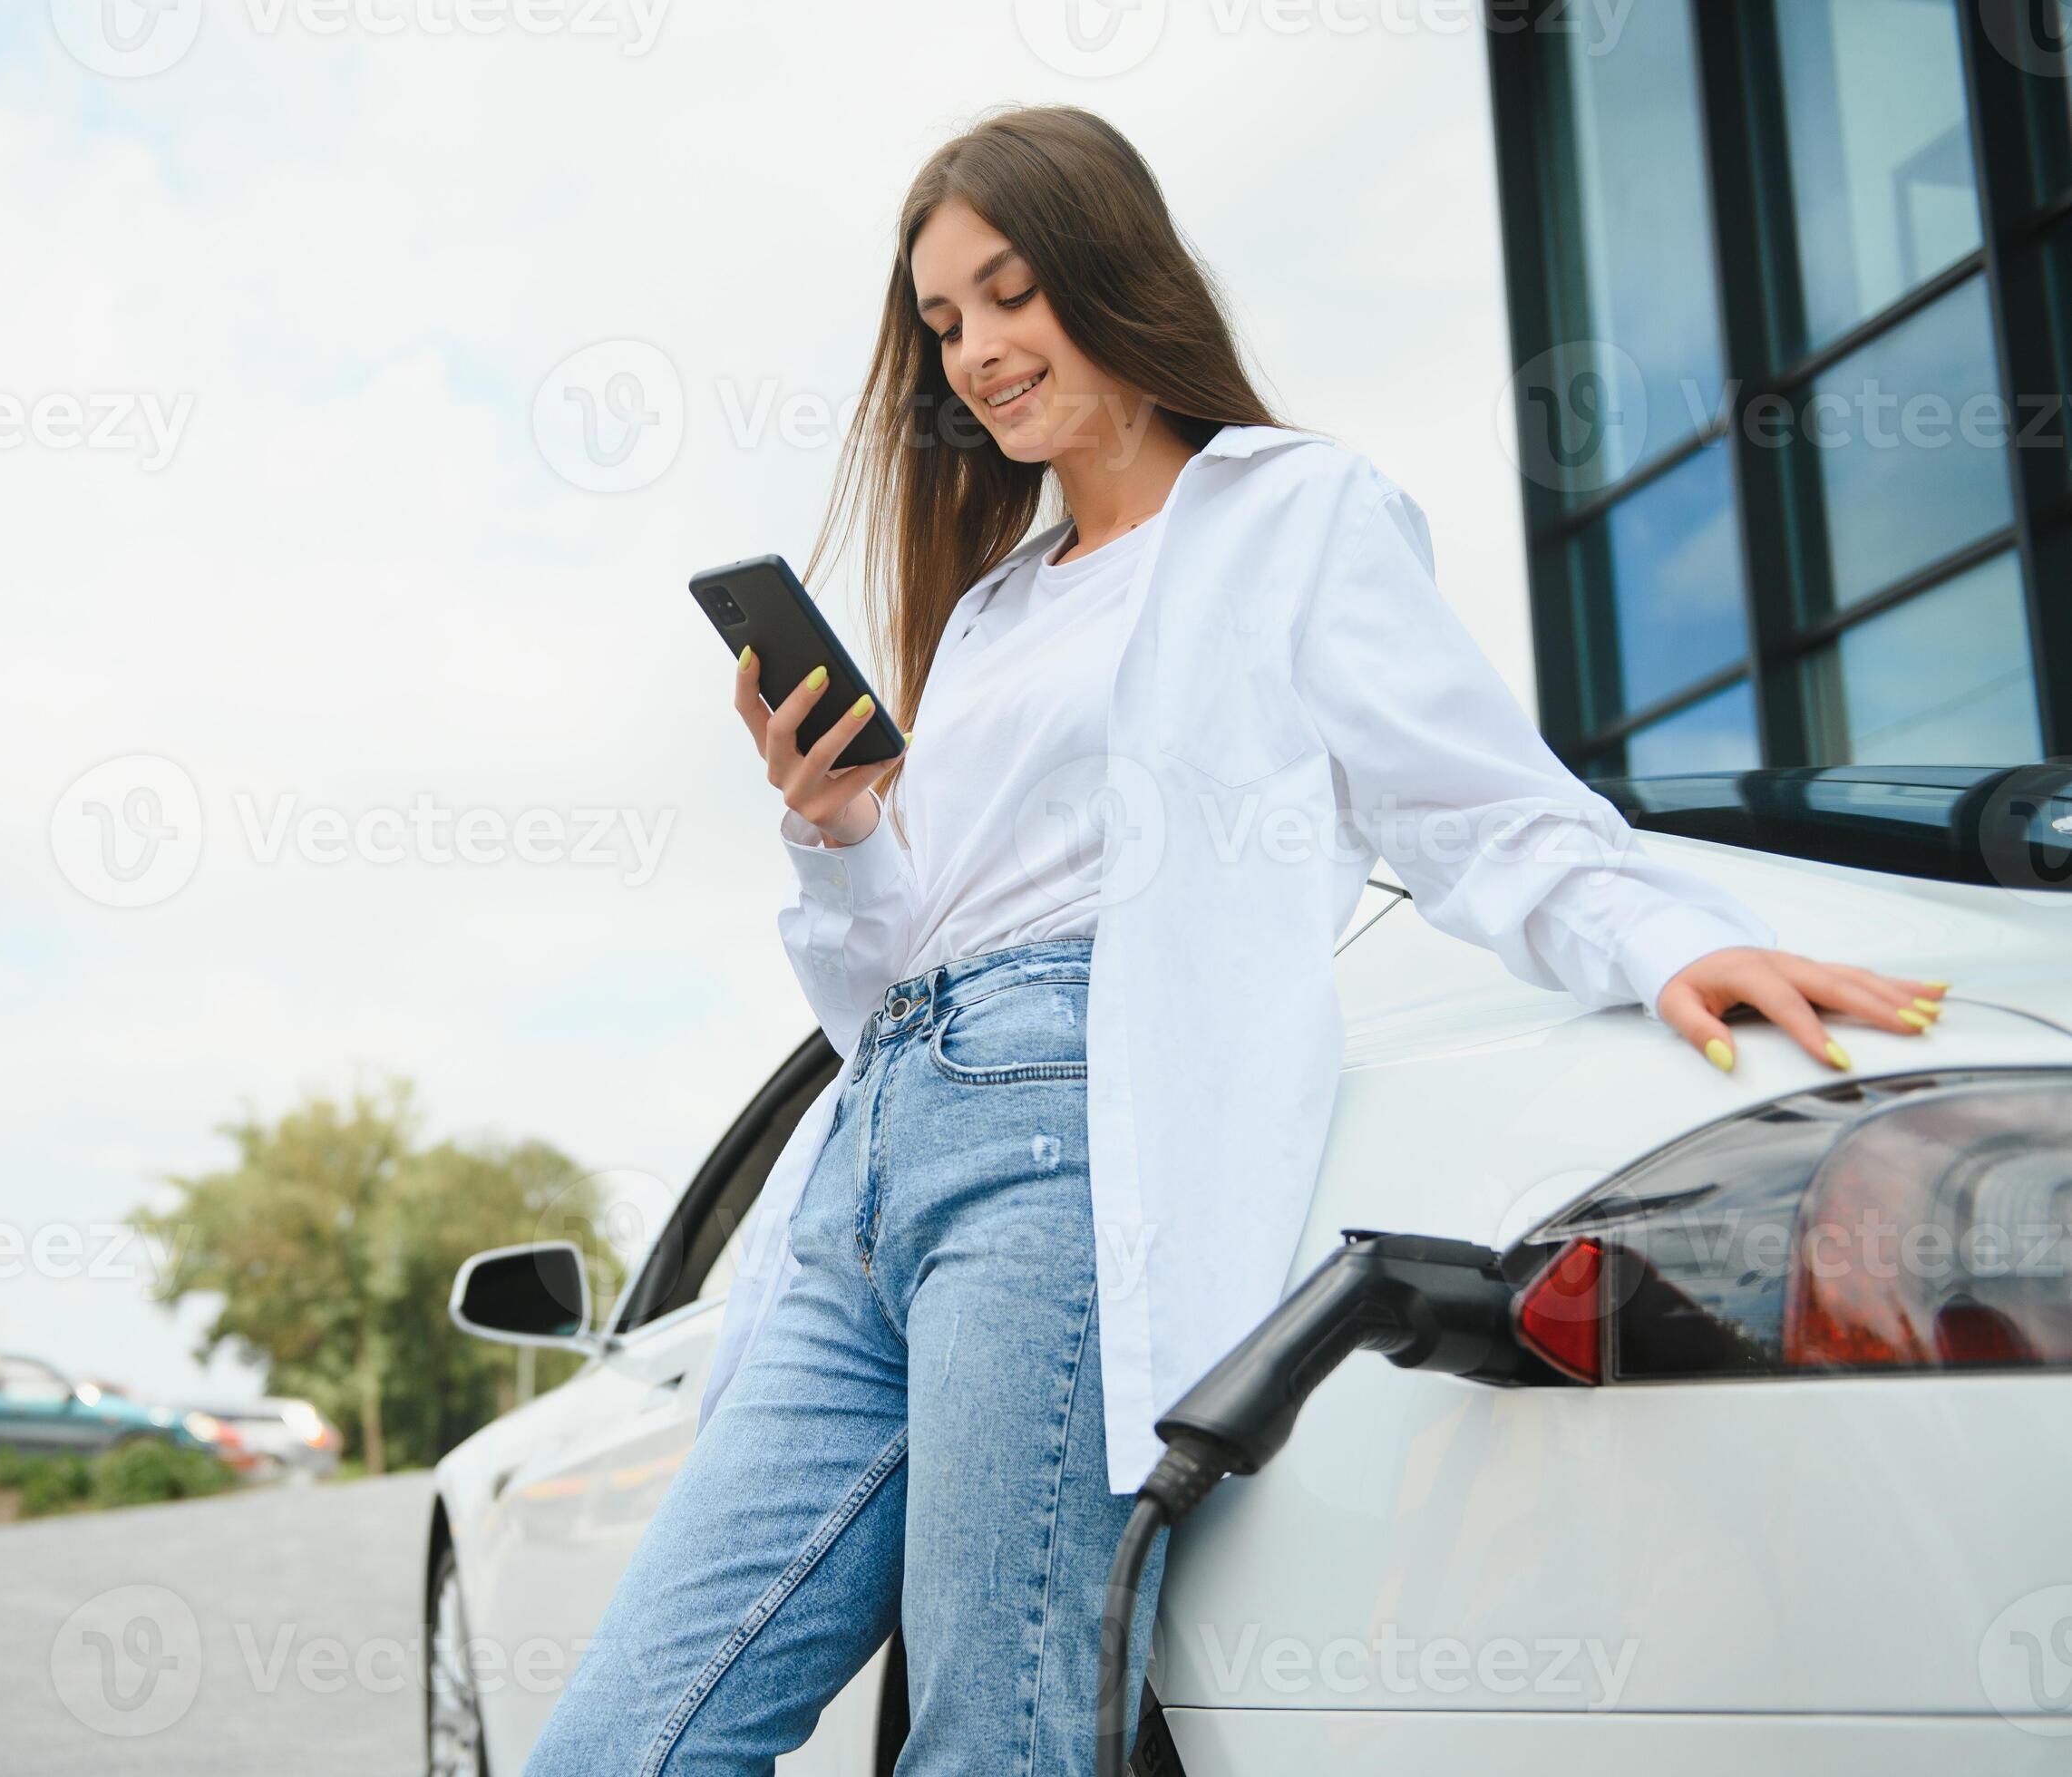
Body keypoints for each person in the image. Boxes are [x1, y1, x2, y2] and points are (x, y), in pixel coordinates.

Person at [521, 103, 1950, 1776]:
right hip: (871, 1161)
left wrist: (1670, 942)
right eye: (941, 323)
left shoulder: (1292, 513)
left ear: (1110, 273)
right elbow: (885, 977)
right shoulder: (989, 611)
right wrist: (834, 838)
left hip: (1060, 1151)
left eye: (1008, 292)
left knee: (996, 1739)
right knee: (626, 1740)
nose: (977, 351)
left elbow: (1478, 808)